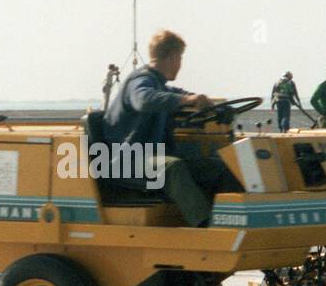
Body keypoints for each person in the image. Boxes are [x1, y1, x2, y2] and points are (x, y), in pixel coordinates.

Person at [103, 29, 242, 226]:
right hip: (126, 160)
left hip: (151, 157)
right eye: (180, 58)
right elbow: (143, 100)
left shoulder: (161, 86)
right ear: (172, 57)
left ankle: (232, 219)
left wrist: (217, 108)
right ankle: (205, 227)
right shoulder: (140, 80)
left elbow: (187, 96)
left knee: (219, 167)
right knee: (173, 167)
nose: (180, 64)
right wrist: (186, 100)